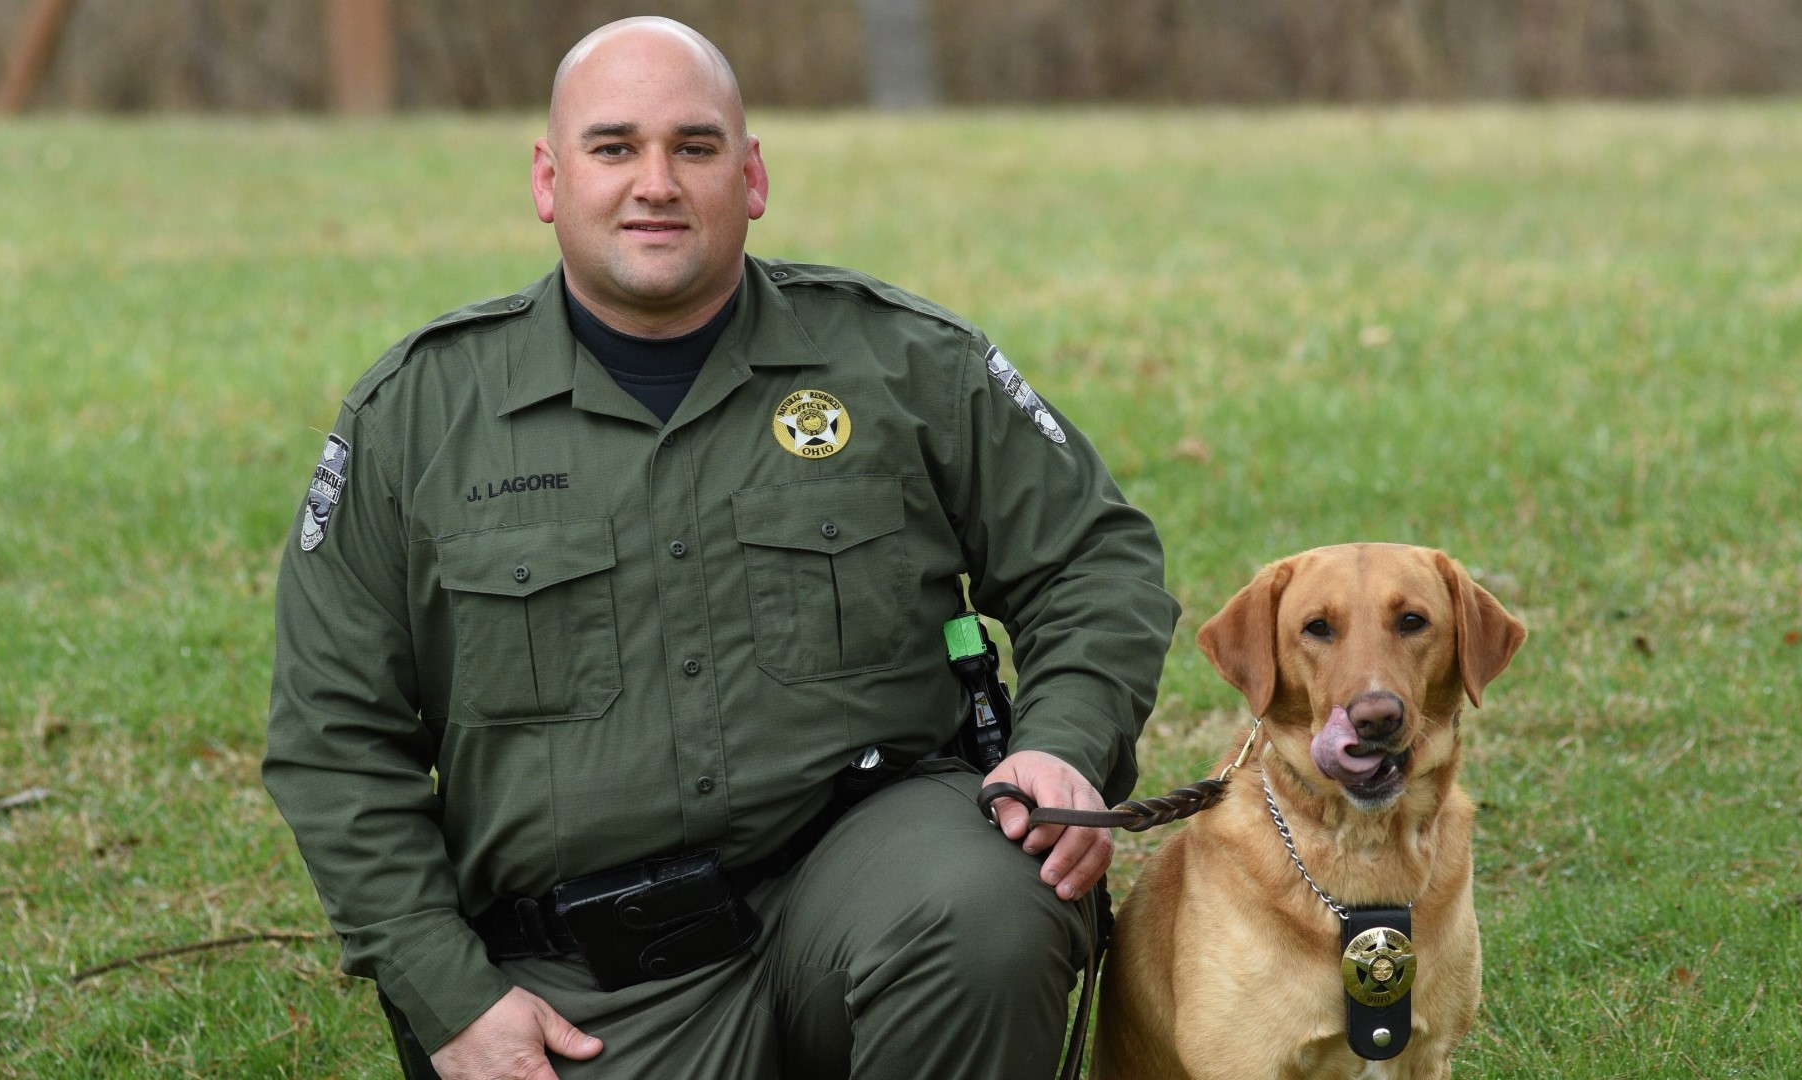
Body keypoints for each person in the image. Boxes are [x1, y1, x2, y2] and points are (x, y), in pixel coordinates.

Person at [263, 16, 1178, 1080]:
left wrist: (1066, 742)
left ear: (750, 178)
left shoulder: (900, 364)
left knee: (986, 907)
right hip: (592, 989)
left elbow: (1093, 561)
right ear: (549, 181)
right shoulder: (416, 419)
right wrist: (452, 1001)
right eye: (615, 148)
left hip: (874, 880)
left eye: (694, 147)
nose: (656, 181)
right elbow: (334, 739)